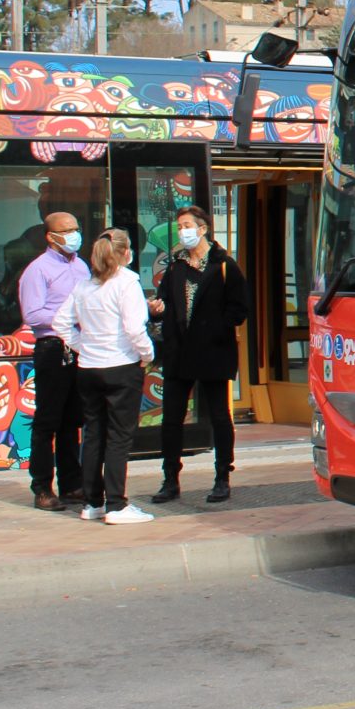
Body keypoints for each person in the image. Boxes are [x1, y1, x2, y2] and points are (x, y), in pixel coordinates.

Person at [147, 205, 250, 504]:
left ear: (203, 229)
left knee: (219, 416)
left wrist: (215, 328)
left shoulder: (224, 266)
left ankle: (222, 477)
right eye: (180, 226)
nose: (183, 232)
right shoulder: (176, 267)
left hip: (213, 352)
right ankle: (170, 479)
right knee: (171, 419)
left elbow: (239, 309)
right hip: (179, 353)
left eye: (187, 225)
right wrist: (158, 310)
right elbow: (165, 302)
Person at [55, 226, 155, 526]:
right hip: (121, 366)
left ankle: (92, 502)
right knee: (119, 437)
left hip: (89, 368)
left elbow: (61, 323)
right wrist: (147, 355)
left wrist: (82, 346)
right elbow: (135, 329)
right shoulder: (127, 283)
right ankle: (116, 504)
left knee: (94, 434)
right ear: (125, 253)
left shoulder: (85, 286)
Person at [16, 210, 87, 510]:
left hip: (79, 347)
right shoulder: (38, 269)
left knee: (72, 420)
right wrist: (68, 319)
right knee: (48, 421)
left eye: (75, 228)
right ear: (51, 236)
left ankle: (72, 484)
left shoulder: (81, 266)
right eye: (66, 230)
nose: (73, 234)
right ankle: (42, 487)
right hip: (52, 347)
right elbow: (32, 314)